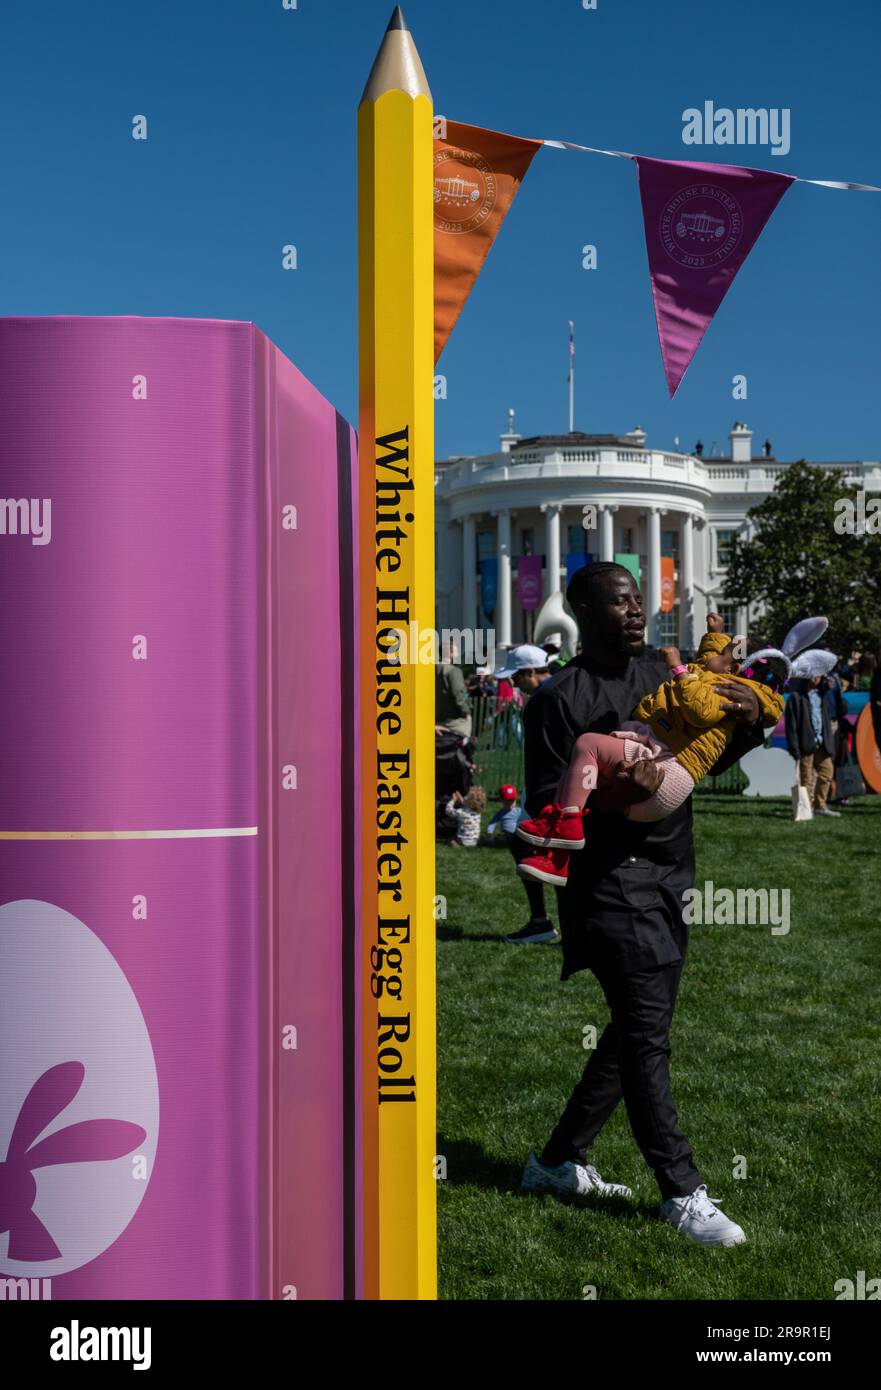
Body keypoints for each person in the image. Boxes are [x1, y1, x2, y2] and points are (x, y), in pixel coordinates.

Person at [518, 561, 765, 1246]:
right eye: (617, 604)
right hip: (608, 889)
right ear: (580, 612)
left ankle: (557, 1162)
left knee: (633, 1028)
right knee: (647, 1036)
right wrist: (626, 790)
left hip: (669, 880)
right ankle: (680, 1191)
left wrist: (746, 717)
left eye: (637, 603)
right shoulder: (555, 699)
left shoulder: (666, 681)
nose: (633, 614)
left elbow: (710, 756)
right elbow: (544, 813)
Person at [516, 615, 785, 884]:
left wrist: (679, 669)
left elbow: (699, 711)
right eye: (622, 601)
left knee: (588, 745)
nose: (635, 610)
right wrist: (716, 634)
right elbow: (710, 660)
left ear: (734, 668)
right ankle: (556, 857)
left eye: (724, 651)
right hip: (660, 787)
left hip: (667, 773)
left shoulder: (723, 688)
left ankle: (566, 827)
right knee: (584, 779)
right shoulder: (716, 677)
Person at [491, 646, 558, 944]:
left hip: (552, 790)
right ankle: (542, 921)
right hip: (553, 788)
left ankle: (541, 922)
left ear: (531, 671)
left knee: (525, 847)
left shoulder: (546, 698)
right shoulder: (554, 691)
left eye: (516, 676)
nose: (513, 683)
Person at [486, 784, 559, 946]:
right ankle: (542, 921)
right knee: (523, 844)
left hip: (554, 791)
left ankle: (545, 923)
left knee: (559, 857)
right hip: (546, 791)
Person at [785, 672, 841, 818]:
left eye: (818, 676)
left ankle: (820, 805)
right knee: (806, 778)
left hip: (822, 742)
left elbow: (840, 709)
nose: (816, 678)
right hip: (805, 744)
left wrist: (831, 689)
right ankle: (807, 808)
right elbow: (790, 726)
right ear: (805, 677)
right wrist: (794, 748)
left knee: (827, 772)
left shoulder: (823, 695)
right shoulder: (795, 698)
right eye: (812, 676)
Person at [435, 639, 472, 738]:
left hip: (437, 722)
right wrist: (466, 712)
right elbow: (459, 694)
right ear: (450, 653)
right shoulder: (453, 671)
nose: (458, 655)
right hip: (456, 723)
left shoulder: (432, 669)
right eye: (457, 652)